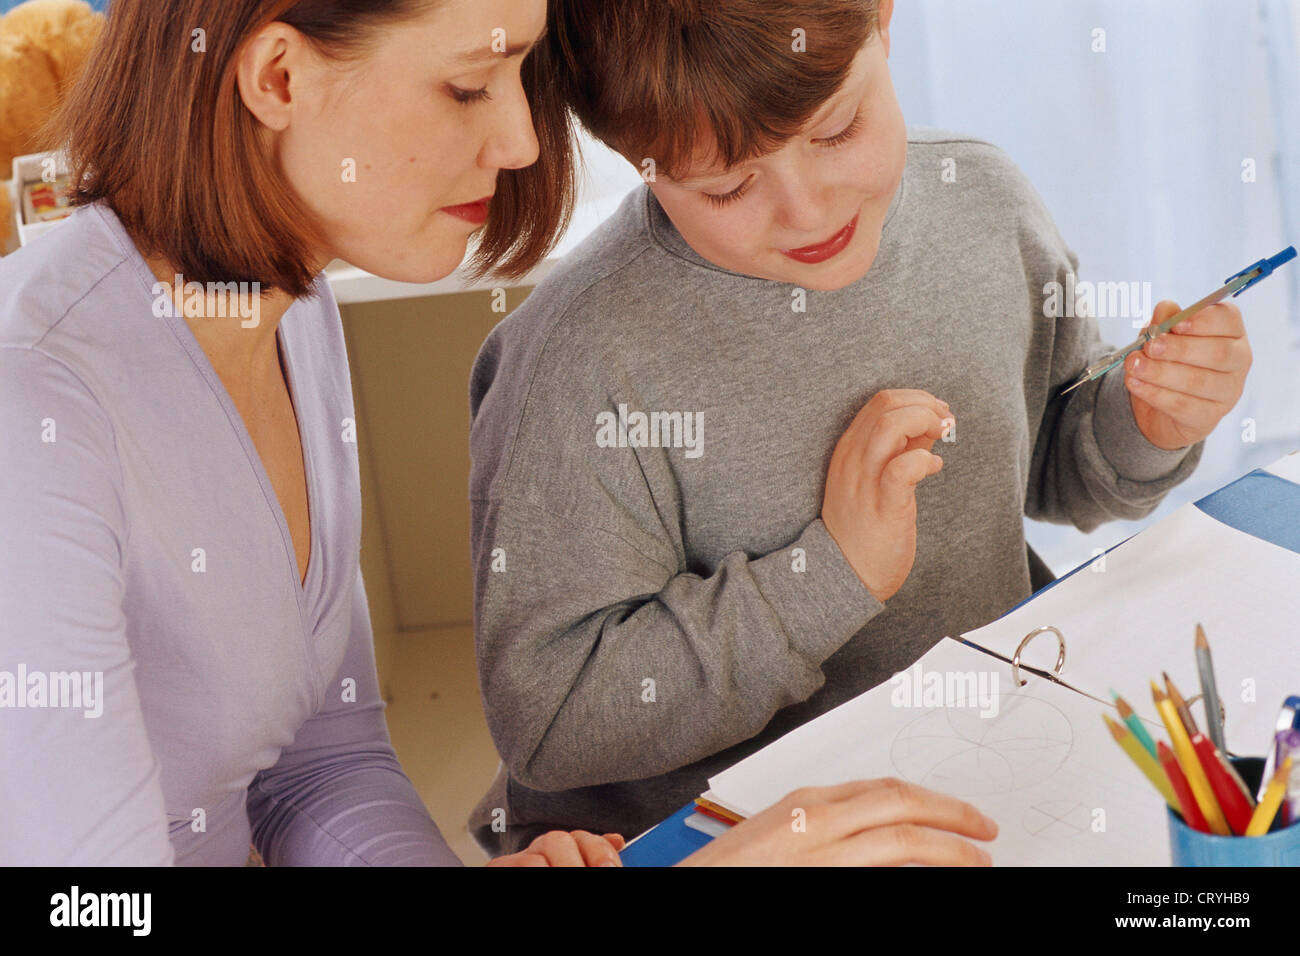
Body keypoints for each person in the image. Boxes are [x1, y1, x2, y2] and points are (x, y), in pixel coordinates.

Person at [0, 0, 997, 867]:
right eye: (469, 86)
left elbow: (317, 767)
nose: (522, 140)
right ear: (278, 77)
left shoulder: (286, 311)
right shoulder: (31, 405)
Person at [466, 0, 1252, 855]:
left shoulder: (983, 201)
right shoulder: (578, 361)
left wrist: (1147, 421)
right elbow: (554, 724)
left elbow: (1051, 465)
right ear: (629, 154)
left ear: (882, 20)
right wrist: (831, 573)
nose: (807, 211)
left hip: (987, 767)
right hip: (717, 841)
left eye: (836, 131)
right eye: (727, 186)